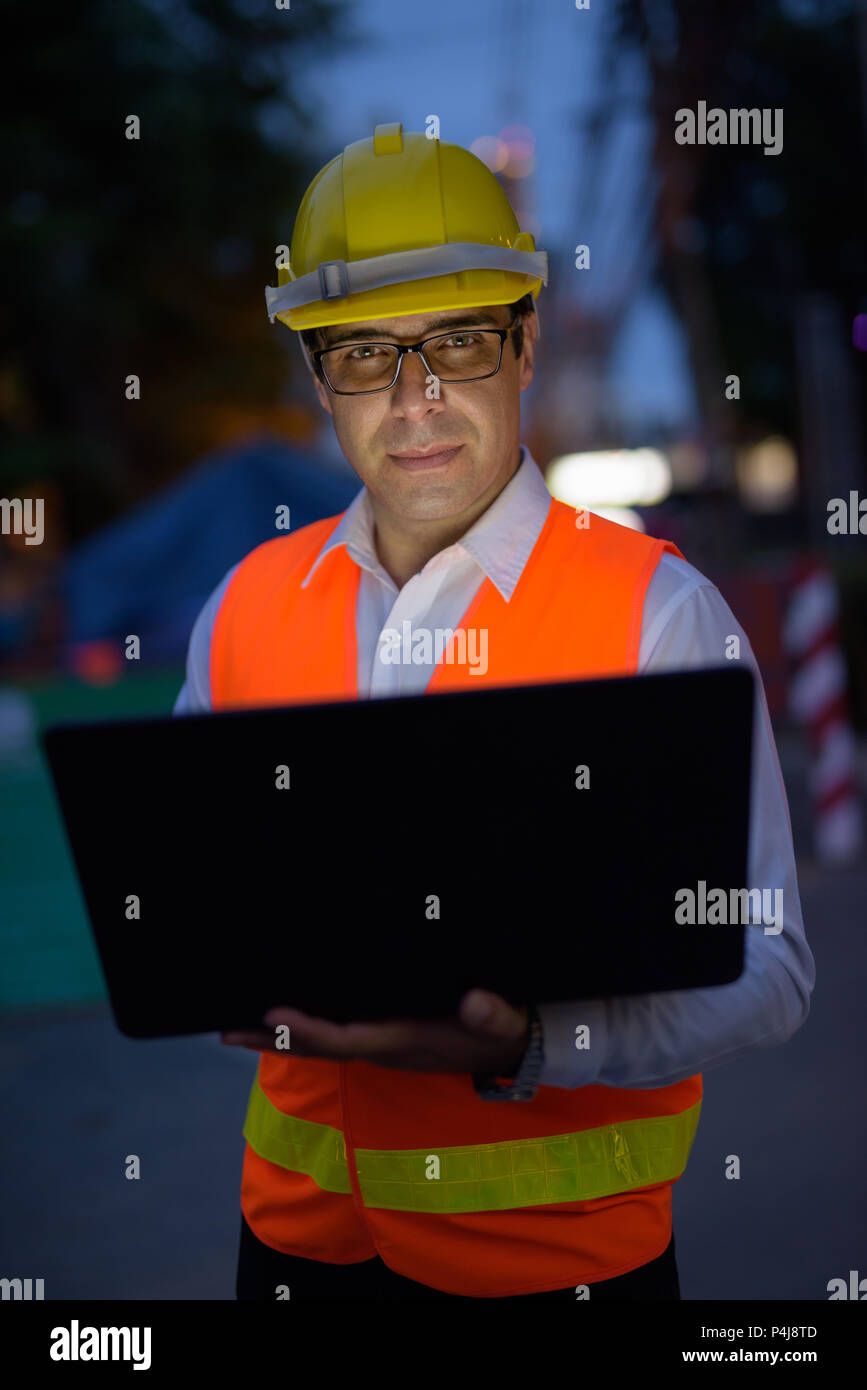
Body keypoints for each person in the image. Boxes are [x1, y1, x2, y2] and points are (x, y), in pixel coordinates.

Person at [174, 122, 815, 1301]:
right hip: (293, 1255)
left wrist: (531, 1044)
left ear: (525, 348)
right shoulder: (243, 609)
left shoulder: (658, 615)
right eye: (366, 355)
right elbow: (188, 894)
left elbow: (771, 965)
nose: (414, 399)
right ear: (321, 381)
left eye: (457, 343)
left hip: (562, 1274)